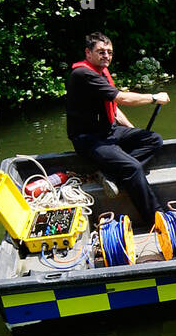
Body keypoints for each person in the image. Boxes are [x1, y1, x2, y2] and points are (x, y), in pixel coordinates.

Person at [65, 32, 169, 229]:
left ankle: (110, 174)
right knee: (133, 168)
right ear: (88, 53)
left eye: (109, 52)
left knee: (153, 139)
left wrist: (132, 132)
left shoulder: (100, 72)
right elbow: (122, 99)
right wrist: (154, 97)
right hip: (89, 139)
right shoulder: (83, 74)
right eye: (101, 51)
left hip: (109, 132)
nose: (106, 56)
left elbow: (113, 107)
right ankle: (157, 219)